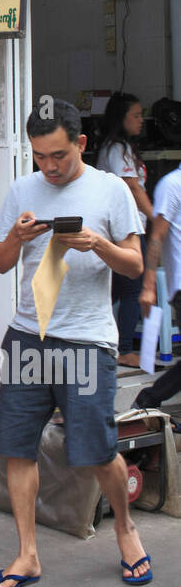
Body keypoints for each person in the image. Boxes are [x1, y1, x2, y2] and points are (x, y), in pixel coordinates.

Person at [0, 98, 152, 587]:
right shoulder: (22, 190)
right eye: (39, 156)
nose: (49, 167)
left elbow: (136, 266)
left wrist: (98, 243)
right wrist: (16, 237)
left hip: (86, 340)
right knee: (17, 448)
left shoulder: (111, 190)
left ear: (80, 143)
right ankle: (27, 555)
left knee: (97, 451)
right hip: (28, 335)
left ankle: (125, 530)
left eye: (58, 154)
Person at [96, 92, 152, 366]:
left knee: (115, 289)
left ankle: (101, 342)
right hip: (122, 228)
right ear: (122, 118)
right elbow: (131, 184)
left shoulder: (120, 147)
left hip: (123, 227)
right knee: (131, 288)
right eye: (136, 115)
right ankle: (125, 348)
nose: (141, 121)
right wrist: (154, 215)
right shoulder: (116, 149)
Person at [135, 158, 181, 412]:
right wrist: (149, 284)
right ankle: (150, 397)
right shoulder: (172, 185)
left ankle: (150, 398)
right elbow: (157, 236)